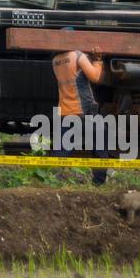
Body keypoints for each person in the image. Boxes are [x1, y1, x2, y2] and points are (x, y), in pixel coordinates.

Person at [51, 46, 109, 185]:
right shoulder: (77, 55)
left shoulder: (55, 60)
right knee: (100, 144)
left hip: (65, 111)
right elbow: (95, 77)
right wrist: (98, 60)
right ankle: (99, 182)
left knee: (62, 149)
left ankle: (52, 180)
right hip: (85, 110)